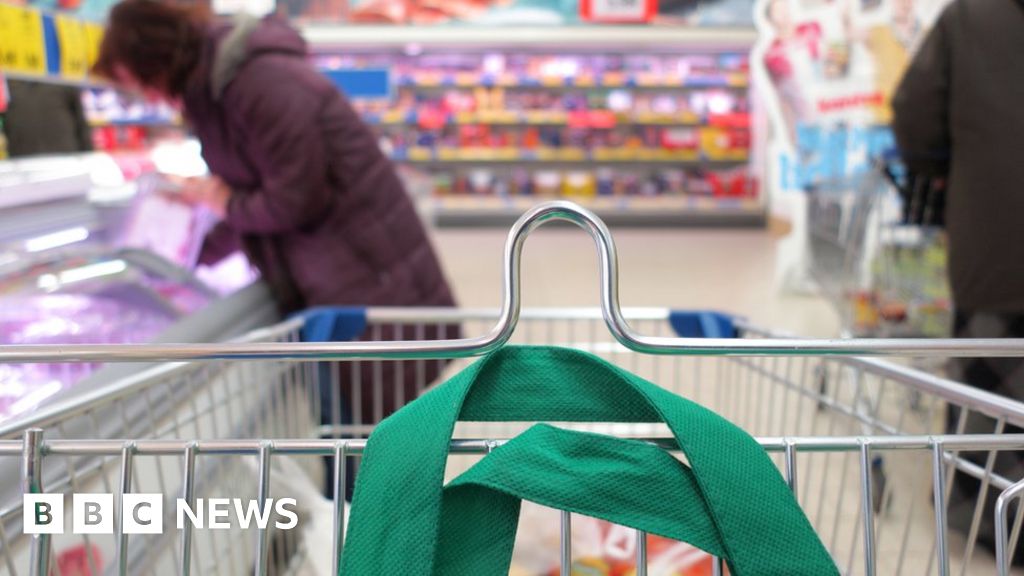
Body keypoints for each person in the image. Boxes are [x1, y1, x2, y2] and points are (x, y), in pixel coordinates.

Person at [93, 0, 460, 495]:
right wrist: (190, 250)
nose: (141, 91)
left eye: (132, 76)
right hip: (336, 276)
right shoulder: (217, 90)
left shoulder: (258, 82)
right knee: (353, 431)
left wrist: (222, 203)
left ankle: (370, 545)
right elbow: (255, 183)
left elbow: (295, 198)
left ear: (152, 53)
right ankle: (358, 533)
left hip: (363, 276)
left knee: (360, 433)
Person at [891, 0, 1024, 559]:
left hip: (999, 242)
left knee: (993, 381)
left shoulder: (971, 17)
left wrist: (937, 169)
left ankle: (993, 523)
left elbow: (915, 114)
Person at [4, 79, 93, 157]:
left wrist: (88, 159)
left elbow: (81, 125)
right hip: (23, 163)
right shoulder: (8, 82)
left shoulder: (62, 79)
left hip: (64, 160)